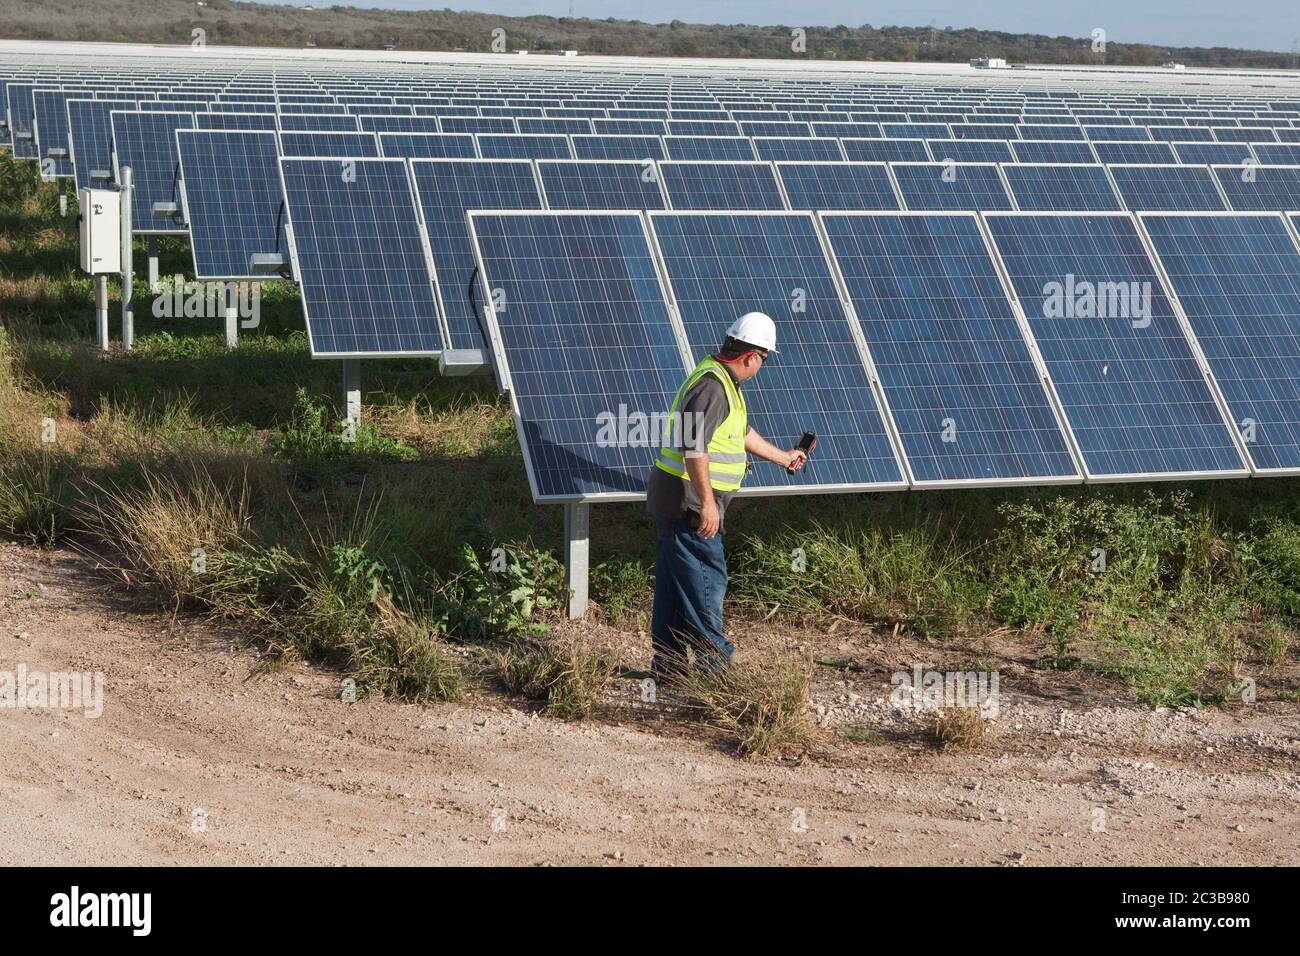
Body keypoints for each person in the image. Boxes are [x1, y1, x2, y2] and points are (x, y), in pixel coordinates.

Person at [645, 312, 807, 681]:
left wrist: (784, 457)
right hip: (689, 503)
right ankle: (715, 671)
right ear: (750, 356)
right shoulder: (713, 388)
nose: (762, 367)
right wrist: (706, 503)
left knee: (675, 584)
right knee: (706, 581)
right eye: (764, 359)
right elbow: (694, 449)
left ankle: (669, 667)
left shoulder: (721, 380)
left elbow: (741, 432)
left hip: (677, 498)